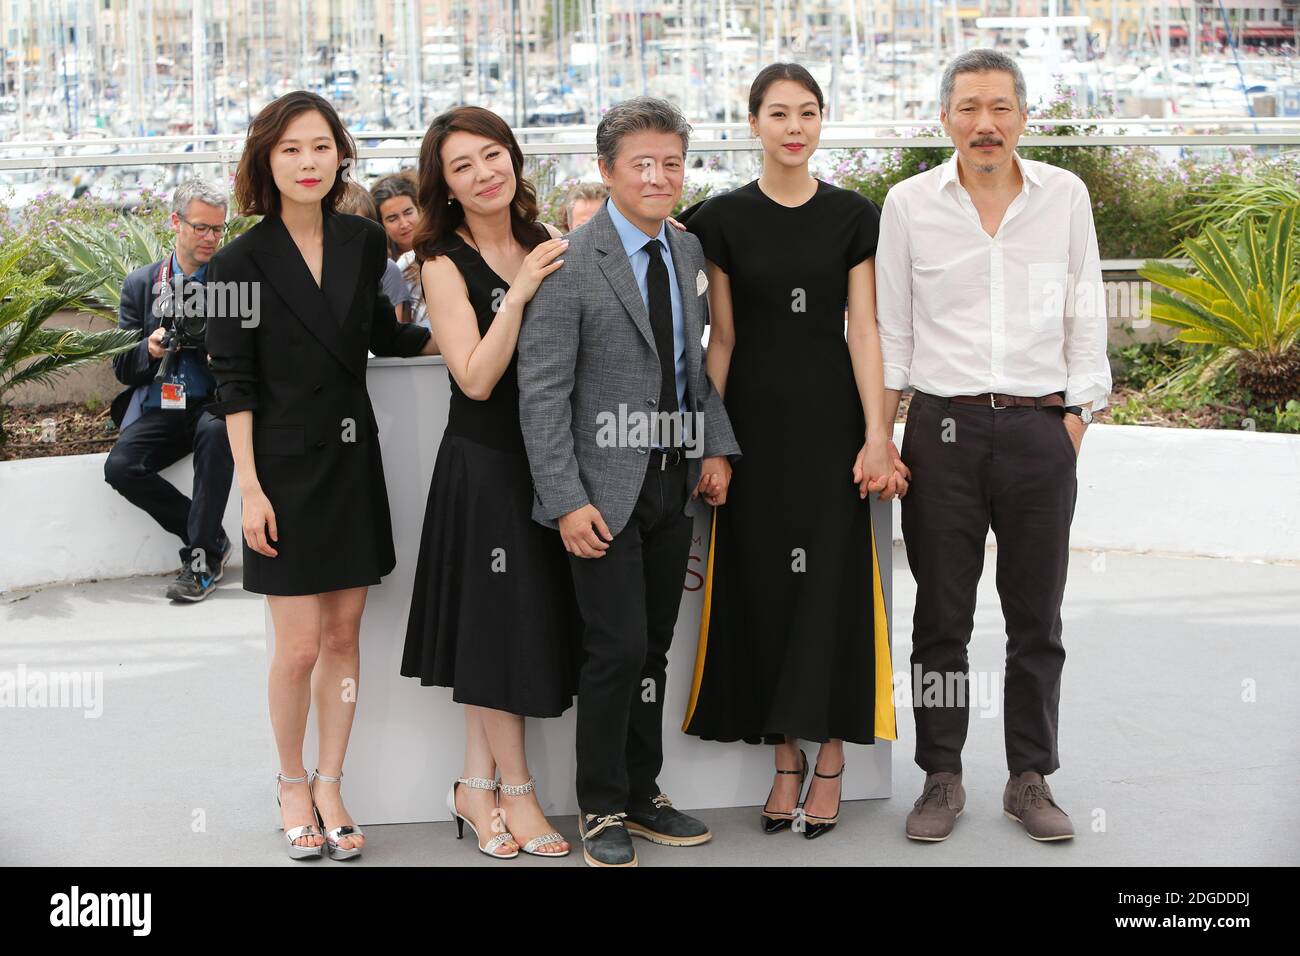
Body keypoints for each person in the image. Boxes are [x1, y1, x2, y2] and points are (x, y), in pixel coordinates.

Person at [873, 50, 1112, 843]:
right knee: (941, 616)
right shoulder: (908, 204)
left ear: (1022, 118)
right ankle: (942, 776)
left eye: (1001, 107)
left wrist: (1073, 422)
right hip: (943, 429)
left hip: (1042, 429)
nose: (986, 123)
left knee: (1035, 617)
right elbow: (893, 330)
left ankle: (1029, 776)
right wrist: (887, 430)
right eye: (970, 107)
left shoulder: (1064, 196)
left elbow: (1087, 313)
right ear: (945, 118)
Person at [203, 90, 438, 861]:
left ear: (341, 155)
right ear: (266, 162)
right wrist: (250, 488)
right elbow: (231, 382)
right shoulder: (237, 262)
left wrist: (463, 336)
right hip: (279, 470)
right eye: (290, 149)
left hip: (349, 459)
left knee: (343, 636)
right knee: (297, 648)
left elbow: (380, 336)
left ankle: (332, 780)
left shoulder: (363, 242)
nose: (308, 162)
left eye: (320, 146)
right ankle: (290, 781)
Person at [677, 63, 905, 840]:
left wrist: (878, 433)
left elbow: (864, 330)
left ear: (820, 122)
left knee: (831, 588)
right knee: (764, 588)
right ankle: (783, 759)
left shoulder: (852, 215)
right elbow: (723, 337)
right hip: (752, 432)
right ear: (753, 123)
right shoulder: (721, 219)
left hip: (833, 428)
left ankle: (833, 756)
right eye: (779, 113)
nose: (794, 126)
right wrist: (713, 441)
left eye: (808, 112)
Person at [517, 96, 741, 867]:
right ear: (607, 171)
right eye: (641, 163)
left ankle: (644, 794)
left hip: (673, 480)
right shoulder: (567, 261)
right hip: (599, 490)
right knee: (613, 649)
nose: (659, 176)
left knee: (651, 649)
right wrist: (566, 498)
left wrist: (713, 450)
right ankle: (601, 806)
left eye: (672, 163)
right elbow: (541, 393)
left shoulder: (684, 253)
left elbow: (689, 372)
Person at [400, 105, 581, 860]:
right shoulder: (439, 258)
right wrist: (521, 293)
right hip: (485, 465)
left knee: (503, 633)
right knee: (503, 634)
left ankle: (475, 787)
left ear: (513, 156)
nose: (483, 174)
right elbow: (473, 377)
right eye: (461, 166)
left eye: (491, 155)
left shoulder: (544, 242)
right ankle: (519, 792)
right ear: (443, 185)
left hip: (549, 461)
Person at [104, 178, 235, 602]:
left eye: (218, 229)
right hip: (164, 404)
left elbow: (265, 354)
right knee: (121, 466)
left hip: (212, 405)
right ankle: (210, 538)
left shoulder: (235, 281)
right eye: (201, 227)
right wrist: (152, 347)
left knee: (217, 434)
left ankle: (199, 562)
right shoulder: (142, 285)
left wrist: (226, 356)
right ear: (175, 222)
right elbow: (123, 367)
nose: (211, 238)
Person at [337, 181, 415, 326]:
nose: (404, 224)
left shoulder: (387, 269)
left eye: (408, 212)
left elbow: (391, 334)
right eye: (392, 218)